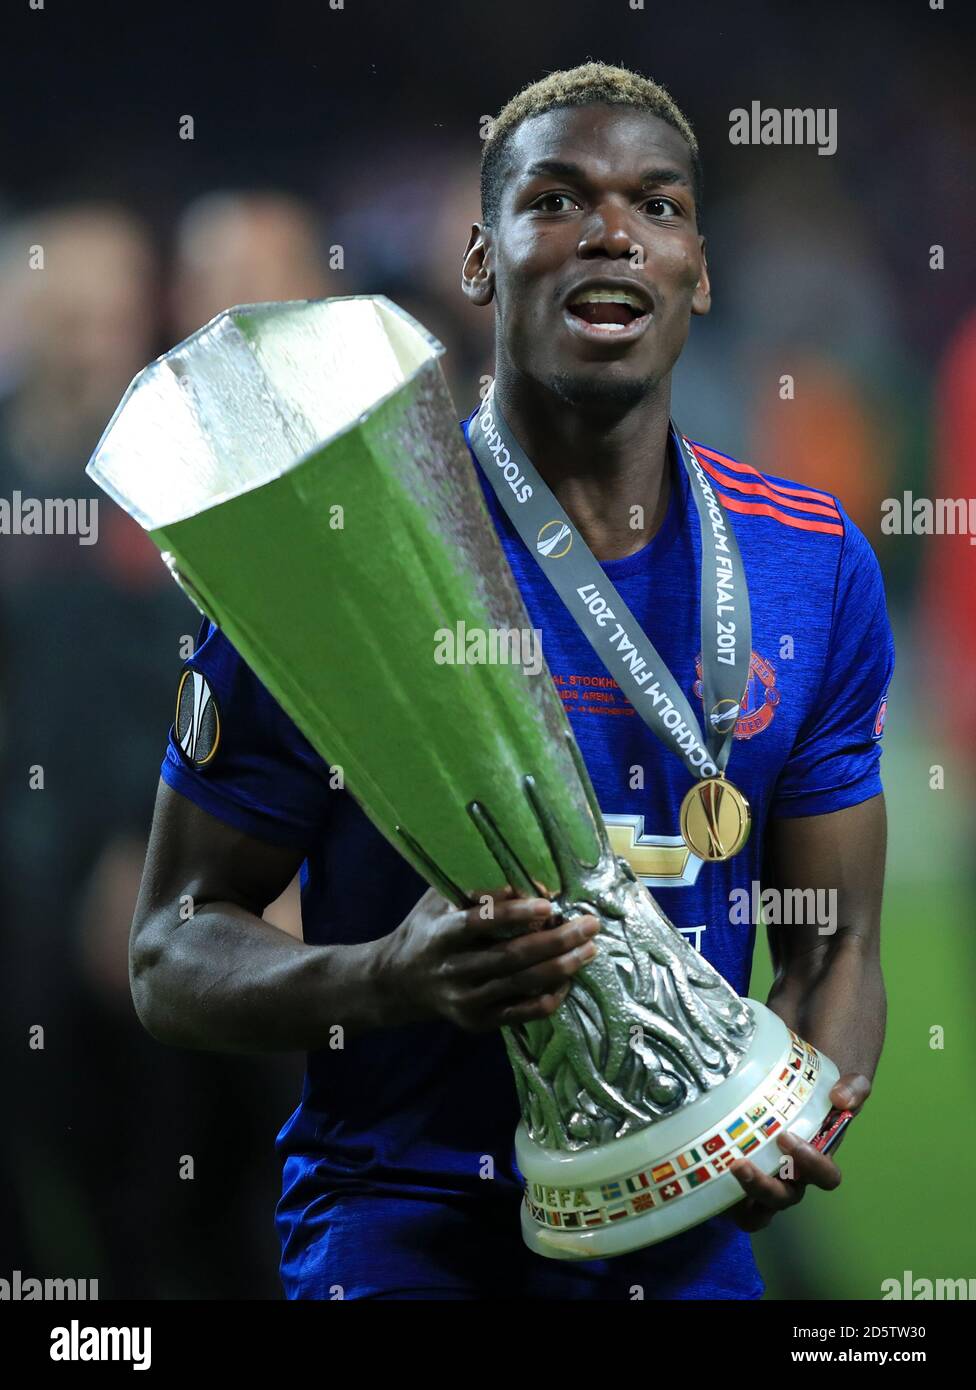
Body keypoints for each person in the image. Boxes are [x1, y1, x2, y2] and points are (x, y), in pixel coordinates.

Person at [131, 62, 893, 1300]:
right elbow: (169, 949)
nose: (611, 233)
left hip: (685, 1230)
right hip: (403, 1224)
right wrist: (385, 977)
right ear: (481, 261)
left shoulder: (807, 562)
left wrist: (793, 1109)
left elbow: (838, 934)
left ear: (698, 267)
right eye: (556, 199)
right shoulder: (339, 556)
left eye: (657, 204)